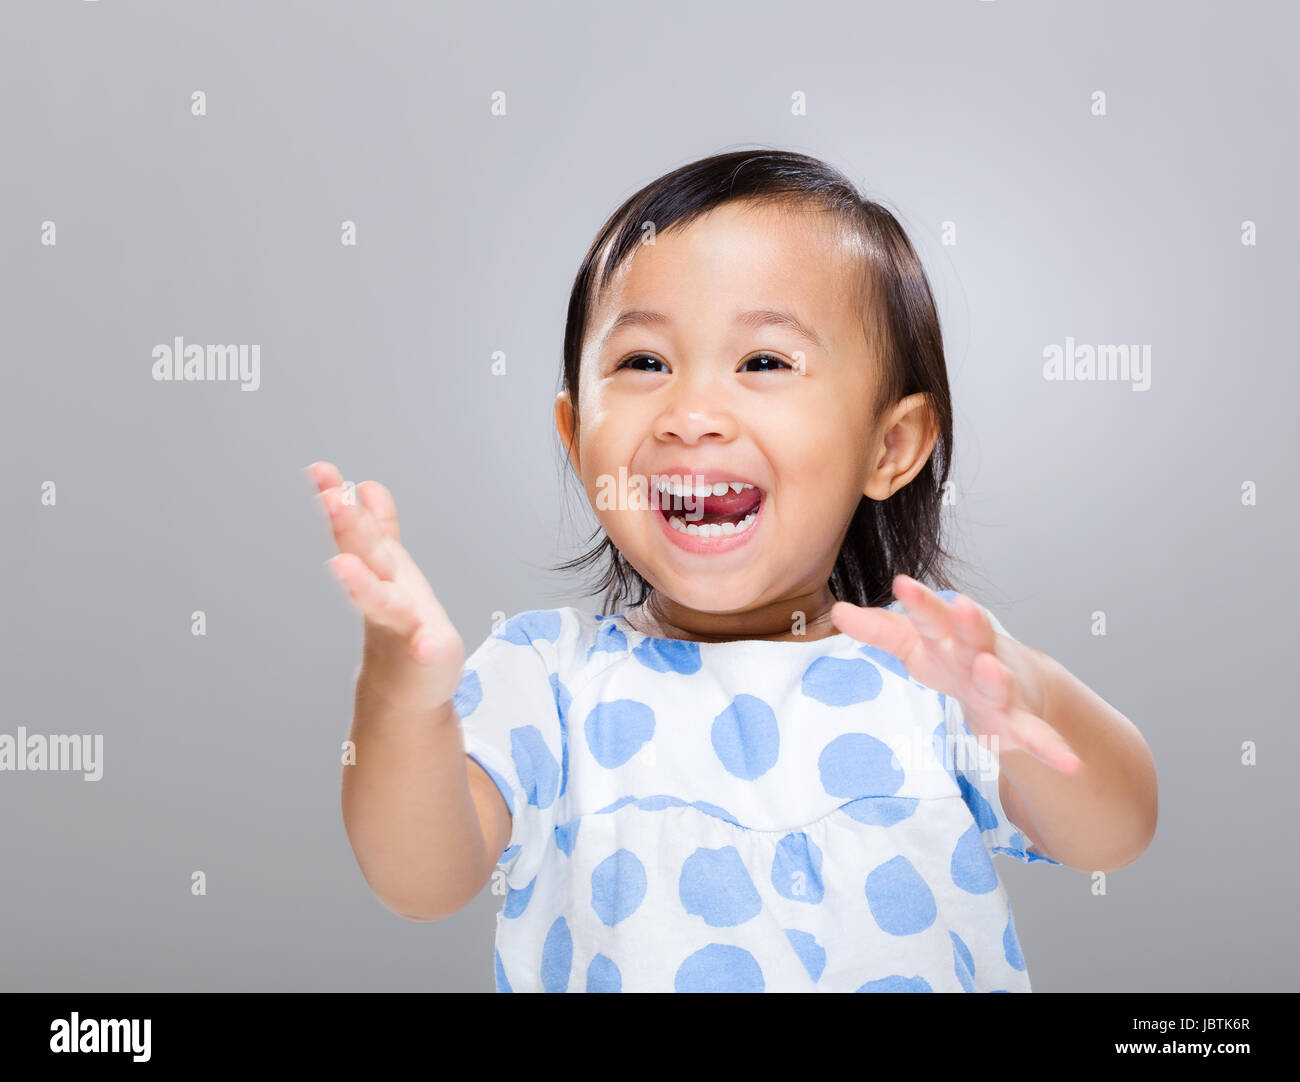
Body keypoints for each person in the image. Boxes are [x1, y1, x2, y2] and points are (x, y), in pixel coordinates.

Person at [309, 148, 1157, 992]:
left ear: (890, 445)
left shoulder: (932, 669)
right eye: (644, 363)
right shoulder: (548, 682)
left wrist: (1032, 703)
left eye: (763, 362)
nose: (693, 416)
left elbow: (1113, 836)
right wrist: (402, 698)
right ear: (575, 437)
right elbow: (420, 881)